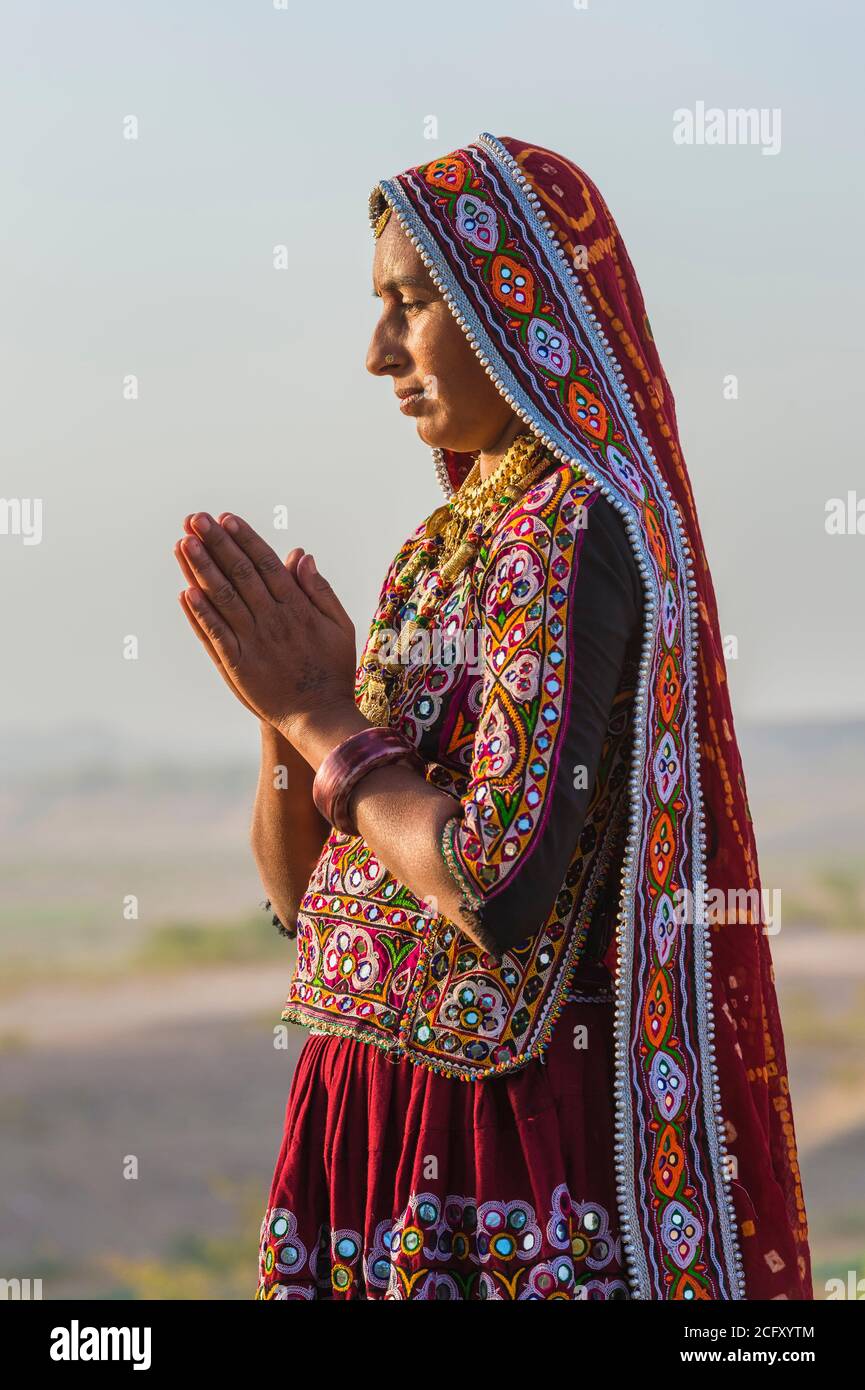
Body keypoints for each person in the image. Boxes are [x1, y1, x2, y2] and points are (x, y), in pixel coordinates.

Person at [174, 133, 812, 1301]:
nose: (377, 353)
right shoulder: (435, 551)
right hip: (366, 1137)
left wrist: (325, 716)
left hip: (498, 1160)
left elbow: (493, 883)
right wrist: (279, 713)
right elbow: (302, 895)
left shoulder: (574, 531)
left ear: (517, 310)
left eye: (411, 304)